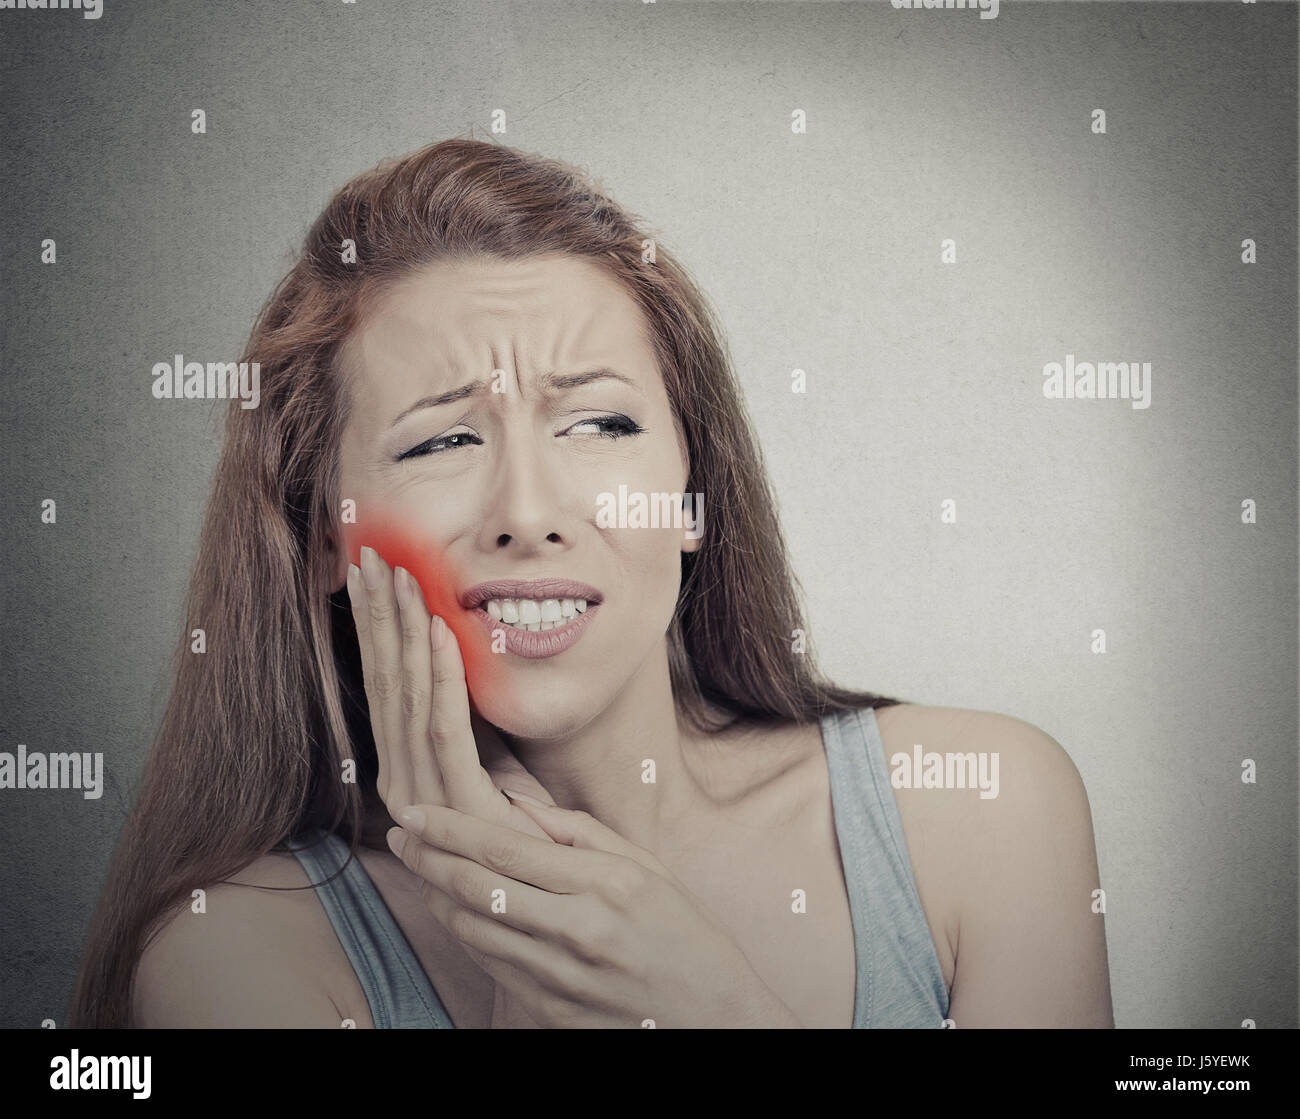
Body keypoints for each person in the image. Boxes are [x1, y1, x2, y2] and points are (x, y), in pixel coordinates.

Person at [71, 138, 1113, 1028]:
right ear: (320, 539)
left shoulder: (984, 812)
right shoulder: (237, 955)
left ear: (693, 497)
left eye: (599, 424)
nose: (529, 511)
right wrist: (529, 966)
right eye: (441, 440)